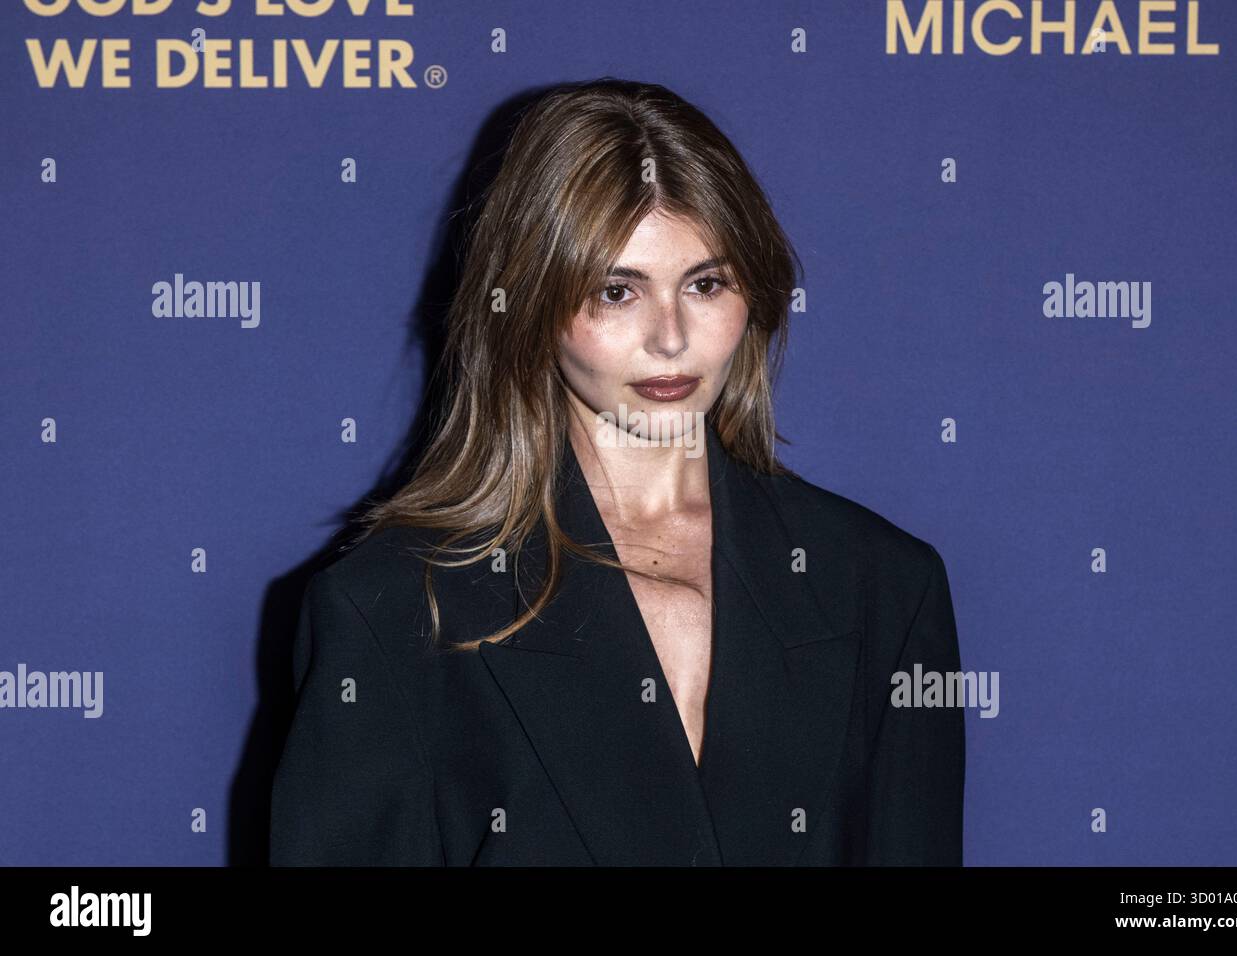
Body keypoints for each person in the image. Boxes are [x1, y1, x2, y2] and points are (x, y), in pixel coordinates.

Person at [269, 78, 965, 866]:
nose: (670, 338)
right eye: (615, 291)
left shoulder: (880, 585)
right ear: (527, 303)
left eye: (705, 284)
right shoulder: (394, 604)